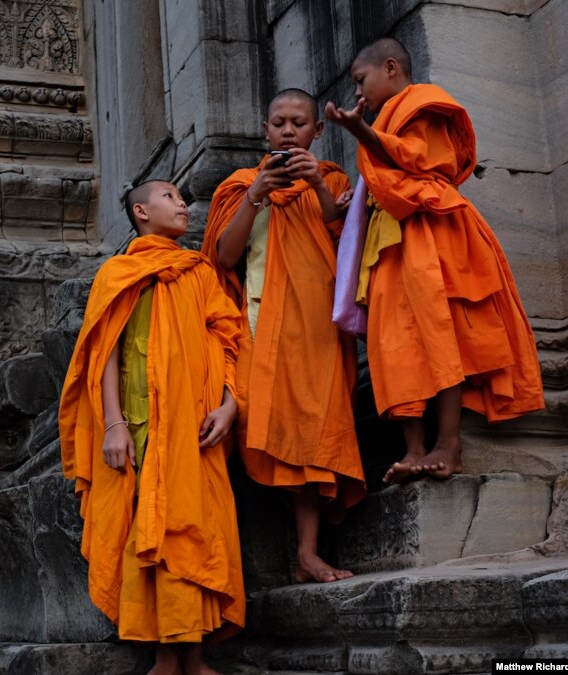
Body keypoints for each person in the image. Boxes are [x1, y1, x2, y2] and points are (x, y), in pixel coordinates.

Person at [324, 37, 545, 484]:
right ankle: (413, 448)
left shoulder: (423, 103)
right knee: (394, 343)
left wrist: (361, 131)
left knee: (442, 332)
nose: (358, 92)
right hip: (388, 240)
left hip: (430, 226)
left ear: (391, 68)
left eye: (361, 80)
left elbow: (417, 160)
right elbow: (386, 176)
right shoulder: (383, 118)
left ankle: (449, 443)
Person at [59, 180, 245, 674]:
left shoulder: (200, 272)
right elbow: (105, 353)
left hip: (197, 425)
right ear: (141, 212)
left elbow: (230, 339)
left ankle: (196, 654)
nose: (182, 203)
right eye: (169, 196)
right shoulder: (118, 273)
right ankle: (164, 656)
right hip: (140, 426)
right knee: (151, 529)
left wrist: (231, 405)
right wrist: (113, 424)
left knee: (197, 528)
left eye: (182, 197)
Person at [204, 88, 364, 584]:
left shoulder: (333, 180)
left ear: (318, 131)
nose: (289, 131)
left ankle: (307, 553)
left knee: (315, 434)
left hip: (318, 332)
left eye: (299, 123)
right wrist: (256, 196)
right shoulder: (239, 186)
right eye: (279, 123)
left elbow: (347, 243)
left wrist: (316, 185)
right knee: (258, 425)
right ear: (265, 130)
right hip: (261, 326)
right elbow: (224, 258)